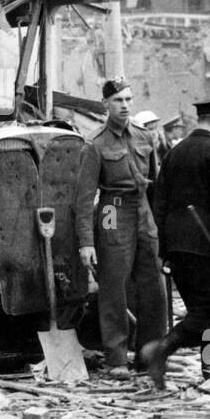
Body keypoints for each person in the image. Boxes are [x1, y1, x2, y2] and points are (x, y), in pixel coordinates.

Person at [74, 77, 167, 376]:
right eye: (118, 101)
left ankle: (149, 354)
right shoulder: (95, 142)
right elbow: (84, 196)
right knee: (114, 285)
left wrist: (160, 226)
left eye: (128, 99)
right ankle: (116, 359)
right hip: (113, 209)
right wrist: (86, 242)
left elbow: (155, 187)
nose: (124, 105)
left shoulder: (143, 136)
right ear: (105, 104)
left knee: (154, 286)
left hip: (143, 210)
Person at [143, 100, 210, 387]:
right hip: (205, 244)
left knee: (206, 311)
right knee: (204, 312)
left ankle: (209, 366)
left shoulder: (174, 153)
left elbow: (159, 203)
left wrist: (164, 248)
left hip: (177, 243)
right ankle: (162, 349)